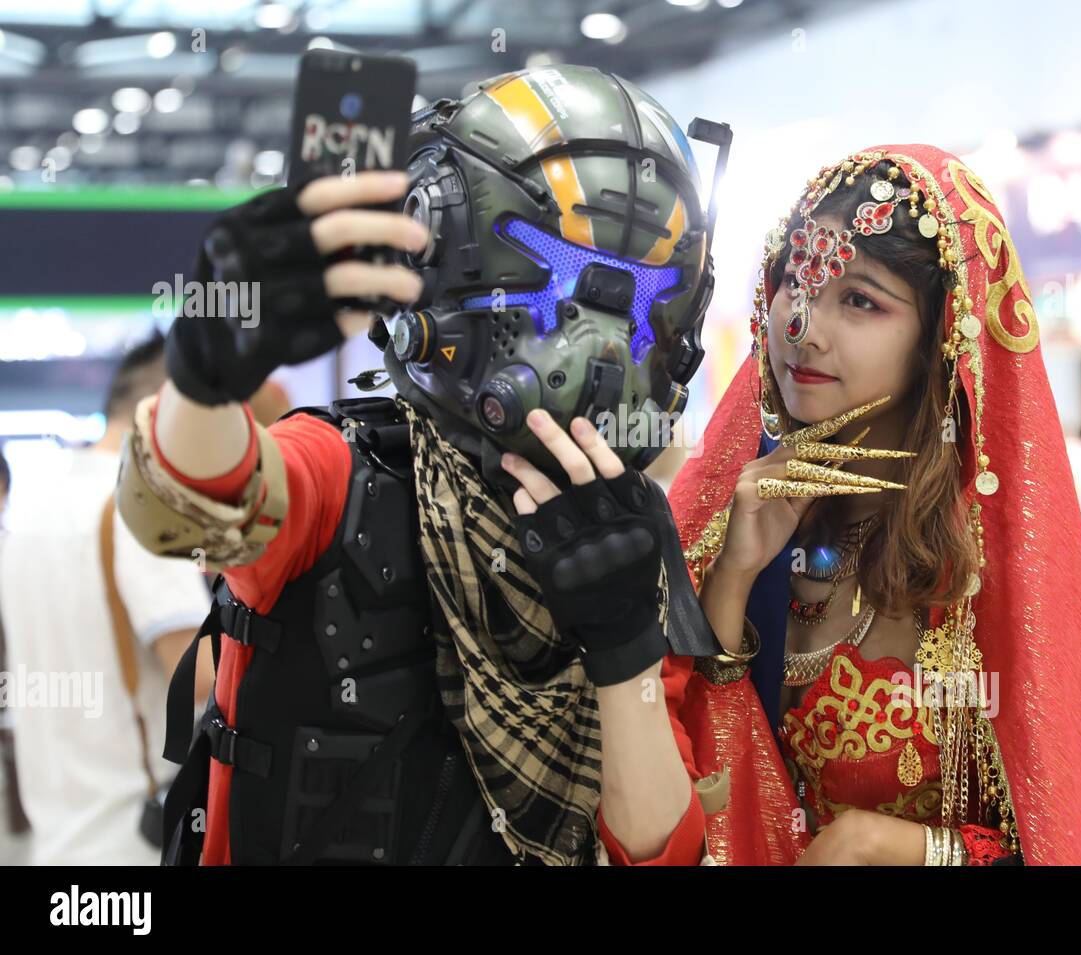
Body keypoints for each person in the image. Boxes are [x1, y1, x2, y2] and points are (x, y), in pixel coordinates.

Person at [117, 64, 725, 865]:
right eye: (553, 270)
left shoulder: (633, 545)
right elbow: (184, 504)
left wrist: (621, 647)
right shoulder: (344, 473)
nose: (602, 349)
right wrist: (203, 372)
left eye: (643, 298)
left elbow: (657, 850)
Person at [580, 144, 1081, 865]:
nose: (802, 327)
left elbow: (1071, 834)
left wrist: (914, 848)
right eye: (797, 280)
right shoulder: (729, 512)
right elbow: (683, 804)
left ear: (939, 339)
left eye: (859, 300)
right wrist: (731, 579)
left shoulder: (995, 559)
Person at [0, 333, 214, 865]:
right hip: (133, 843)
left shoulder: (34, 506)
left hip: (55, 841)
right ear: (169, 408)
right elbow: (200, 677)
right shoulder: (140, 509)